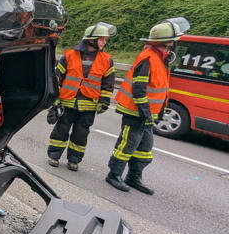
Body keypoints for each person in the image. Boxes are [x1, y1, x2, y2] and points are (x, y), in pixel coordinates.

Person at [106, 17, 190, 194]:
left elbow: (157, 90)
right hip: (135, 112)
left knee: (144, 148)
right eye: (172, 42)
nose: (174, 46)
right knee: (127, 145)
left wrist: (156, 113)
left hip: (148, 113)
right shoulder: (148, 58)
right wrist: (146, 112)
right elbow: (139, 89)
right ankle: (114, 175)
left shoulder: (161, 58)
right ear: (166, 43)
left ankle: (133, 177)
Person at [47, 22, 117, 171]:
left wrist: (104, 101)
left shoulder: (106, 60)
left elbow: (108, 84)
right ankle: (54, 156)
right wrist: (56, 99)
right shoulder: (69, 55)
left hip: (89, 106)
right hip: (67, 103)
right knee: (61, 131)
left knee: (81, 135)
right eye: (102, 39)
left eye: (105, 40)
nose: (104, 42)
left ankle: (74, 160)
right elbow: (57, 78)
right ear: (91, 40)